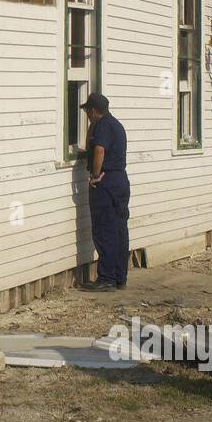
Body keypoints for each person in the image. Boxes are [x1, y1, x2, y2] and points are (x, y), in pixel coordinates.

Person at [81, 92, 129, 291]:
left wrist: (95, 174)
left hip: (106, 182)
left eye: (87, 112)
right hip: (120, 181)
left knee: (104, 230)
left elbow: (99, 150)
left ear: (93, 111)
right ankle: (119, 277)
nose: (87, 116)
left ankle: (106, 278)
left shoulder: (102, 126)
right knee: (119, 230)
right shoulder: (115, 124)